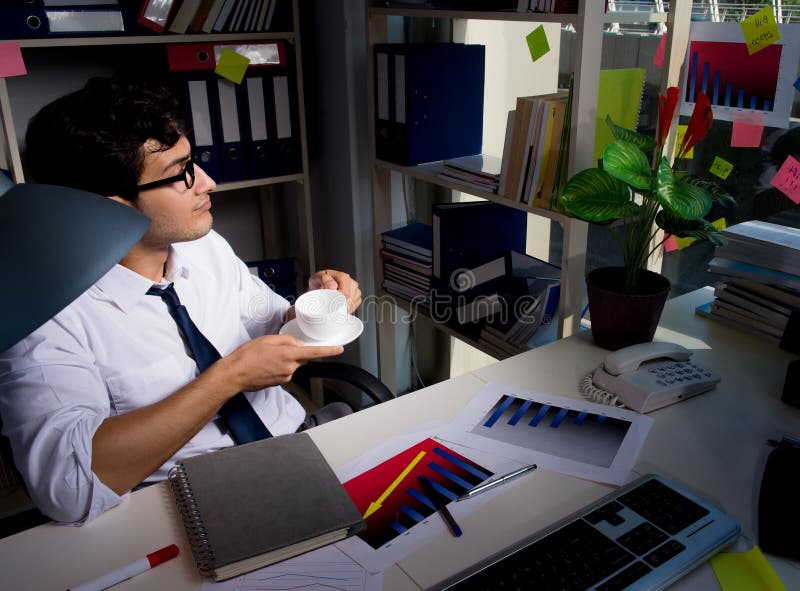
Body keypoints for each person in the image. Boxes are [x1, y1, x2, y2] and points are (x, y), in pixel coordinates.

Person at [0, 77, 362, 525]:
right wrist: (227, 378)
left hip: (293, 437)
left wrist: (314, 309)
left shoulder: (202, 246)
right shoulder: (46, 314)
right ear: (112, 206)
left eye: (196, 162)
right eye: (182, 173)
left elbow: (271, 325)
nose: (208, 183)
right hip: (191, 497)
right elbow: (67, 488)